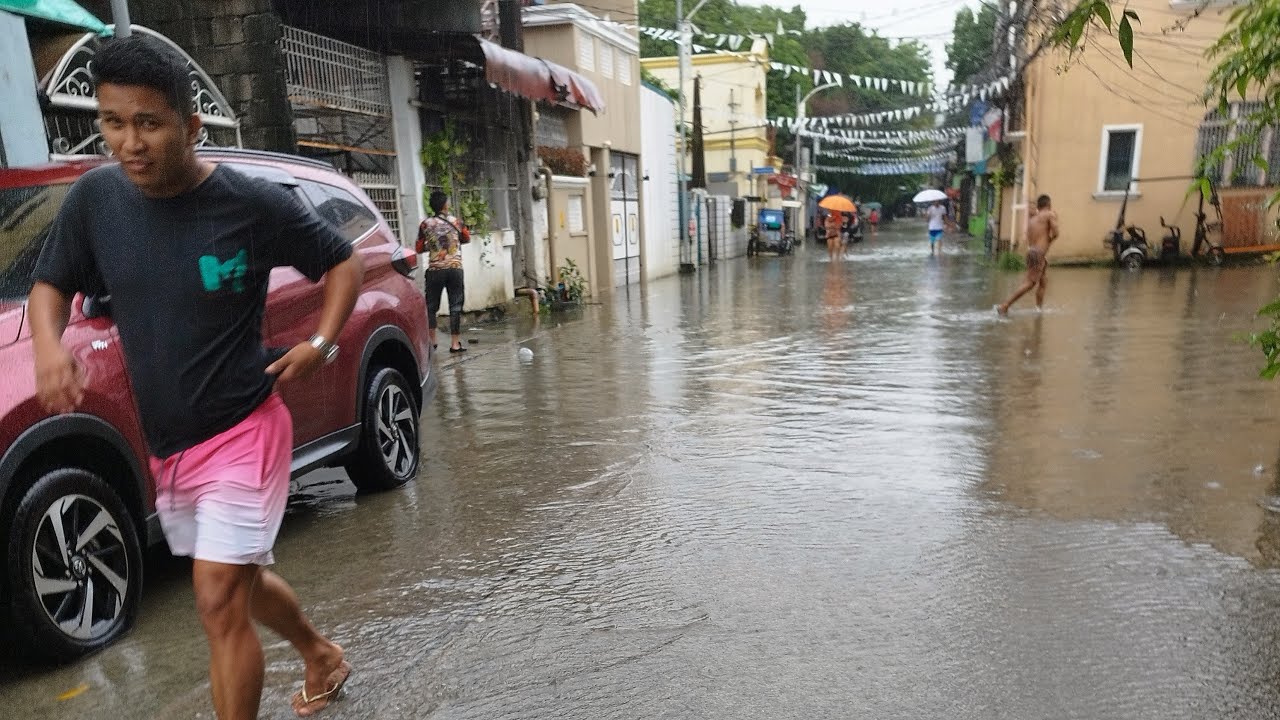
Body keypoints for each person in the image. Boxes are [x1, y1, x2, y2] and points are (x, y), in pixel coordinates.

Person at [29, 35, 361, 719]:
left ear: (191, 125)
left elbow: (342, 262)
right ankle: (320, 653)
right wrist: (47, 347)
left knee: (215, 597)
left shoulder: (247, 203)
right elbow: (50, 286)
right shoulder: (96, 201)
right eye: (113, 123)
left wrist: (321, 343)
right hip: (171, 446)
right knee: (239, 582)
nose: (130, 142)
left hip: (245, 425)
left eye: (148, 123)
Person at [418, 191, 470, 353]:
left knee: (431, 307)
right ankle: (455, 344)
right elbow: (466, 238)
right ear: (445, 205)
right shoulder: (457, 222)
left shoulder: (425, 224)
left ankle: (432, 343)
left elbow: (419, 248)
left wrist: (433, 247)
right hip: (455, 269)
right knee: (455, 306)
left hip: (435, 270)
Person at [998, 194, 1059, 315]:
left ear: (1038, 206)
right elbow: (1056, 232)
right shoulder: (1049, 214)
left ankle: (1038, 310)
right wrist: (1050, 240)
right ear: (1048, 205)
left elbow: (1031, 239)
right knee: (1030, 283)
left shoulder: (1032, 220)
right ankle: (1005, 305)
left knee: (1043, 281)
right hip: (1039, 253)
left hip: (1032, 252)